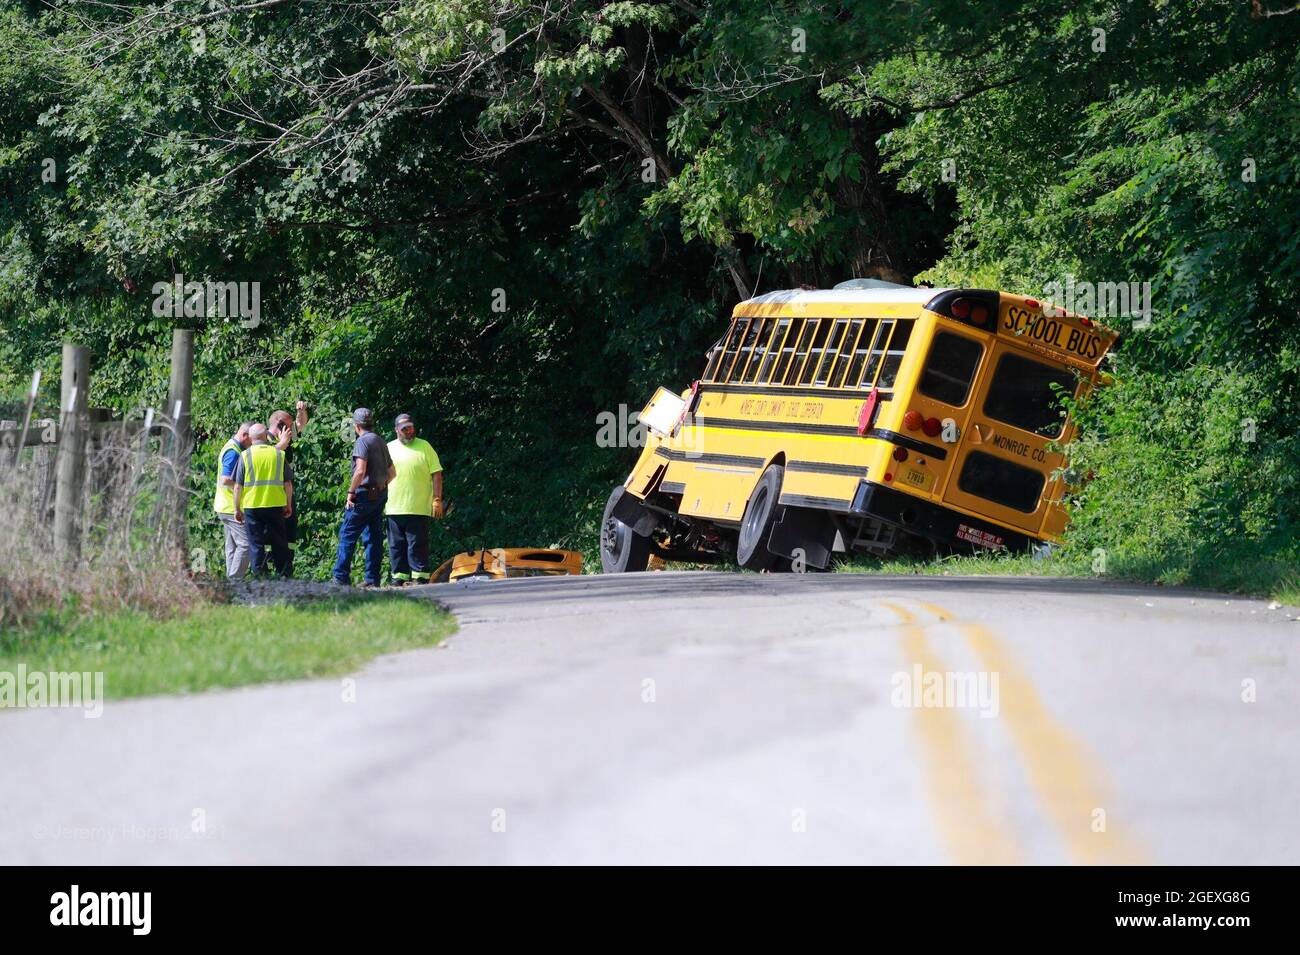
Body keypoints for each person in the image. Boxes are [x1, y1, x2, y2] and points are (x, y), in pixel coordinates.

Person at [332, 408, 395, 588]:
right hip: (379, 495)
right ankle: (372, 579)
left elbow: (360, 470)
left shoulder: (362, 442)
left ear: (356, 425)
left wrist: (351, 492)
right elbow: (392, 472)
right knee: (373, 537)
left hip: (363, 495)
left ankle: (340, 577)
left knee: (347, 535)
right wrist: (381, 486)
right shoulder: (380, 441)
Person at [385, 413, 445, 586]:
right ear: (396, 430)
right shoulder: (388, 448)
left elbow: (437, 474)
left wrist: (437, 499)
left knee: (417, 544)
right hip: (394, 506)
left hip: (418, 506)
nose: (409, 431)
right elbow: (381, 475)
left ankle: (420, 578)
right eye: (405, 429)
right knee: (396, 546)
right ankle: (399, 578)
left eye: (411, 427)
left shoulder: (424, 446)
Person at [233, 423, 294, 578]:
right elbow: (287, 483)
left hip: (252, 507)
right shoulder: (278, 455)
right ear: (266, 436)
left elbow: (238, 487)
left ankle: (260, 576)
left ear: (251, 438)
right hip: (275, 505)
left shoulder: (245, 456)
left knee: (256, 544)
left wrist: (236, 509)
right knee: (279, 541)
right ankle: (284, 574)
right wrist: (288, 504)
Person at [213, 421, 255, 577]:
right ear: (245, 436)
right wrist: (245, 486)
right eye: (252, 440)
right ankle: (235, 582)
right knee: (246, 545)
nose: (253, 444)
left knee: (232, 547)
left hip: (224, 506)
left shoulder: (233, 446)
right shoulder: (233, 452)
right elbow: (225, 479)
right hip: (231, 508)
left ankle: (230, 586)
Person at [268, 401, 309, 547]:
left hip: (286, 491)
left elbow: (301, 424)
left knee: (289, 528)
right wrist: (281, 445)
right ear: (279, 424)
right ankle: (270, 566)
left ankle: (288, 562)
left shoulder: (286, 438)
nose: (292, 429)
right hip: (269, 495)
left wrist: (301, 411)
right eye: (289, 425)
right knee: (271, 533)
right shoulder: (263, 440)